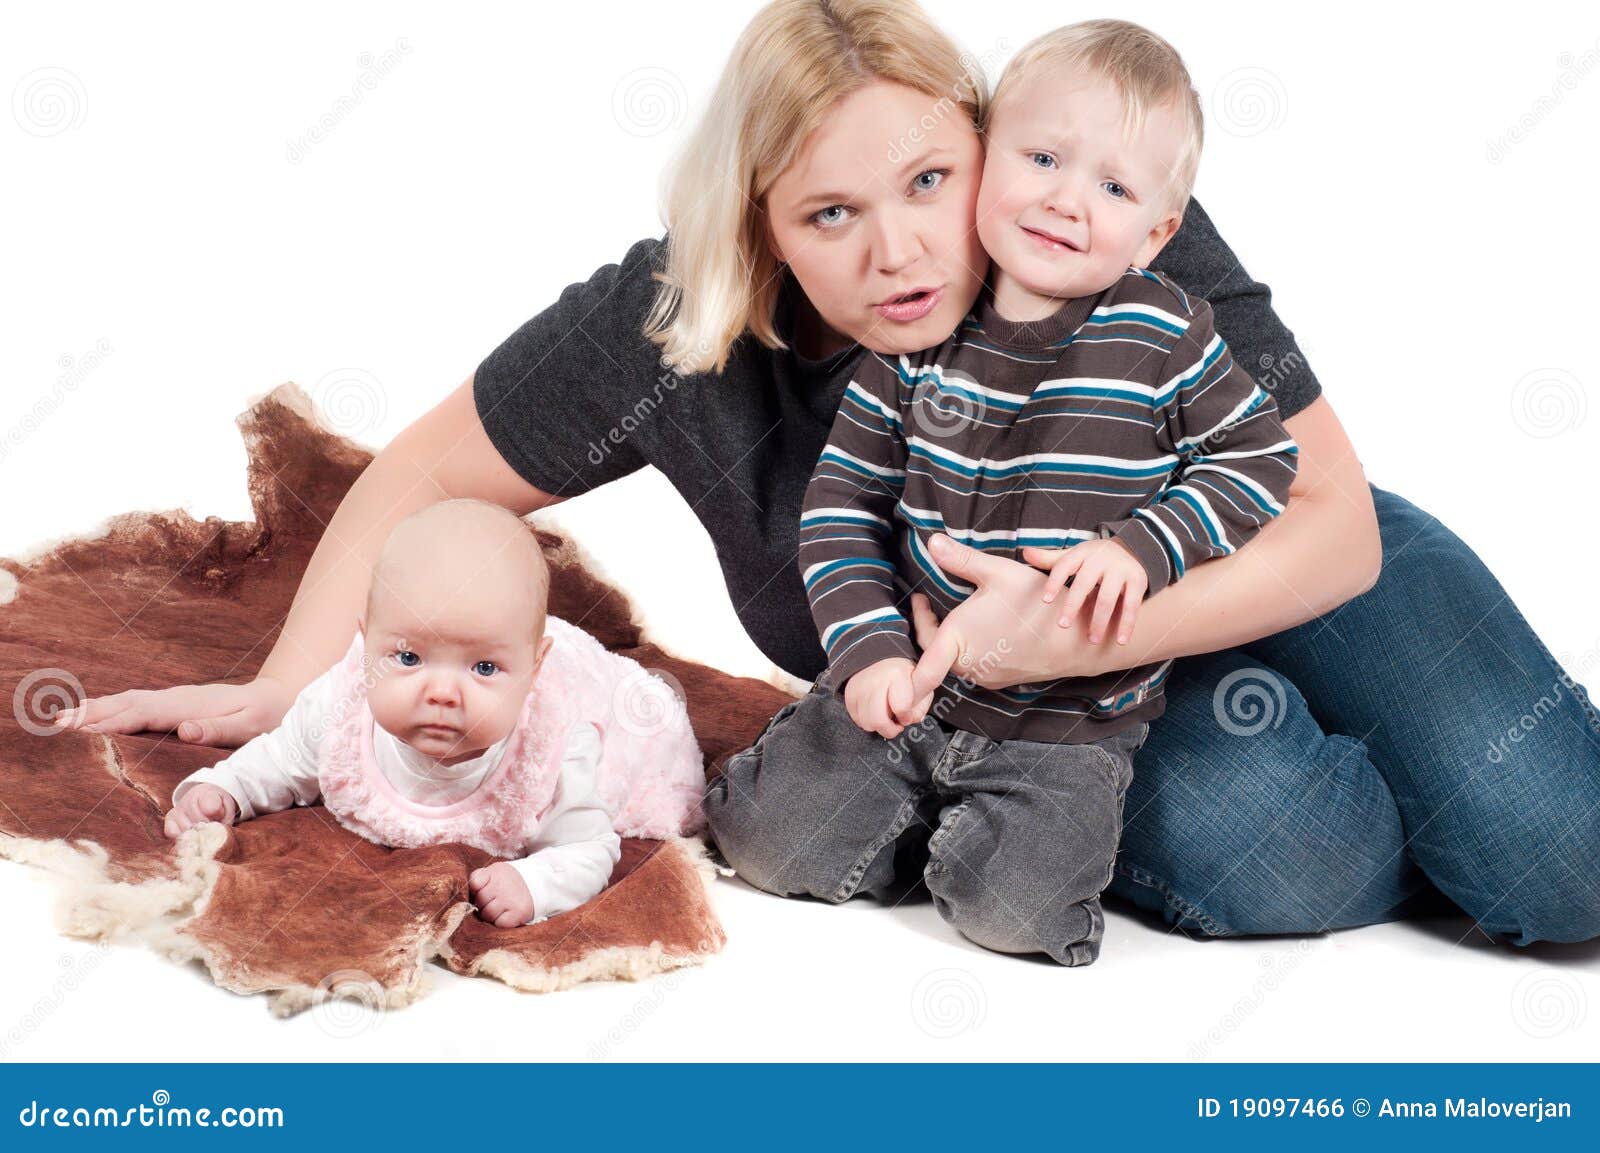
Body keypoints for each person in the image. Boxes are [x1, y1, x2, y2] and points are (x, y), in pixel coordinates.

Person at [54, 0, 1599, 946]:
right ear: (757, 227)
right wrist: (278, 693)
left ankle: (1443, 773)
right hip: (1063, 716)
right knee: (1281, 846)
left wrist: (1089, 623)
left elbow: (1327, 526)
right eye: (831, 214)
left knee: (1562, 858)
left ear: (986, 141)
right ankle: (1367, 782)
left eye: (934, 178)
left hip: (1271, 562)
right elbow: (412, 476)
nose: (908, 247)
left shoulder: (1083, 206)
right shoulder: (673, 325)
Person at [708, 20, 1297, 966]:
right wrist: (868, 656)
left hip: (1069, 723)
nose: (1068, 201)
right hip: (912, 689)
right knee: (763, 842)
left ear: (1156, 231)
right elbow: (842, 505)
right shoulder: (924, 335)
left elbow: (1259, 459)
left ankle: (967, 841)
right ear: (986, 164)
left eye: (1112, 187)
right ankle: (897, 806)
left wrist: (1144, 548)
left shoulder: (1168, 338)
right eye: (1043, 158)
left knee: (1016, 919)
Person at [155, 499, 706, 927]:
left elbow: (589, 846)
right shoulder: (346, 697)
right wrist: (224, 789)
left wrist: (536, 884)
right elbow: (284, 757)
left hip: (614, 714)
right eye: (410, 657)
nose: (443, 692)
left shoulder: (558, 746)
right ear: (368, 644)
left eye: (484, 669)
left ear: (534, 671)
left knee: (642, 751)